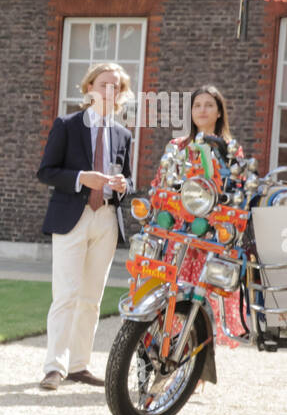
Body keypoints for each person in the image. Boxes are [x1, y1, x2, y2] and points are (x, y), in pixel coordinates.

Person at [37, 62, 135, 390]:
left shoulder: (123, 134)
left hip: (106, 219)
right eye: (104, 84)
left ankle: (79, 365)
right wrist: (82, 178)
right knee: (66, 294)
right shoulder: (67, 125)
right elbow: (46, 172)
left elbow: (130, 180)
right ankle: (54, 367)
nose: (110, 91)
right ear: (89, 87)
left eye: (117, 87)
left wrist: (123, 184)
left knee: (91, 298)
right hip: (72, 218)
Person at [154, 85, 247, 343]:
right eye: (197, 105)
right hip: (180, 231)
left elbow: (236, 192)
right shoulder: (177, 146)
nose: (202, 110)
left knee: (206, 301)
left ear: (219, 112)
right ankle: (172, 355)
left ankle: (199, 368)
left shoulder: (230, 149)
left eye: (209, 105)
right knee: (174, 296)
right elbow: (161, 183)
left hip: (212, 235)